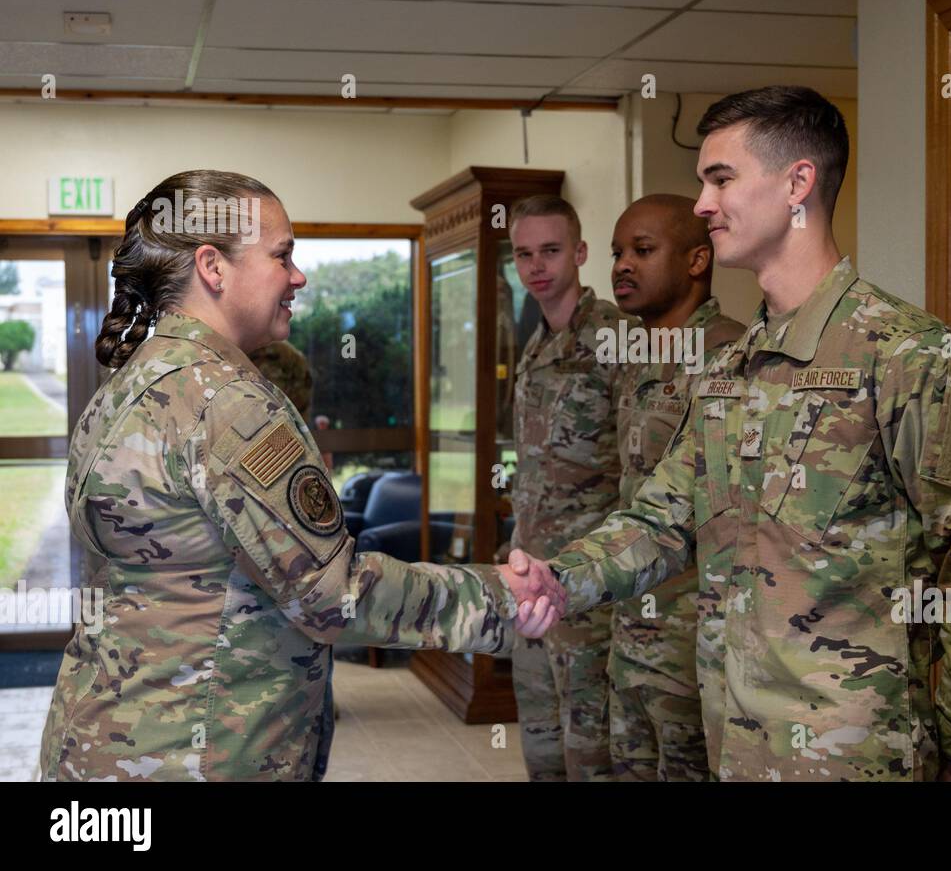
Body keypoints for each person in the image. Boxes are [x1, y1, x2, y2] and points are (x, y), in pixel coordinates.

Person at [511, 87, 951, 781]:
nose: (704, 205)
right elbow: (659, 518)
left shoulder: (908, 357)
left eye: (721, 179)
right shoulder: (729, 370)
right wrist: (558, 581)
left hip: (856, 759)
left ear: (798, 183)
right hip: (732, 743)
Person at [40, 170, 562, 782]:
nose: (298, 275)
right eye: (282, 255)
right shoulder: (227, 402)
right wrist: (502, 595)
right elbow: (333, 596)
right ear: (213, 267)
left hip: (102, 742)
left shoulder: (129, 384)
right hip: (200, 754)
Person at [606, 193, 744, 781]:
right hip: (630, 626)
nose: (621, 266)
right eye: (616, 252)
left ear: (696, 260)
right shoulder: (636, 358)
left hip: (693, 641)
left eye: (642, 250)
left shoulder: (735, 356)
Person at [507, 194, 624, 781]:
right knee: (541, 735)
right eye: (524, 254)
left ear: (579, 252)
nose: (537, 266)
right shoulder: (535, 345)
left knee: (590, 742)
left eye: (550, 250)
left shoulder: (615, 340)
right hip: (532, 575)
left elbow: (643, 467)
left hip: (588, 583)